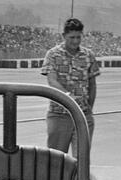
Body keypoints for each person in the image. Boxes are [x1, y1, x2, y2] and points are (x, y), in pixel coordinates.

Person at [41, 17, 99, 154]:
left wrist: (89, 109)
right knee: (56, 159)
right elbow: (52, 81)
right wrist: (68, 98)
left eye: (79, 37)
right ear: (64, 36)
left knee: (82, 159)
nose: (75, 41)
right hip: (59, 115)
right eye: (72, 37)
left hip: (83, 115)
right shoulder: (53, 54)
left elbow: (92, 84)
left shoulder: (88, 55)